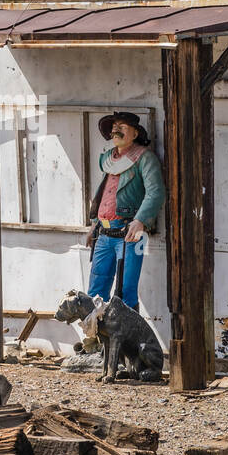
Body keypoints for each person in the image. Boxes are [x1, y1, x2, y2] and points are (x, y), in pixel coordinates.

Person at [86, 111, 166, 309]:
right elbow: (105, 193)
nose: (116, 130)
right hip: (103, 234)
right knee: (95, 291)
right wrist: (94, 224)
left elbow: (156, 192)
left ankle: (127, 339)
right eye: (115, 127)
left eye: (122, 127)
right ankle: (96, 337)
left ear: (135, 134)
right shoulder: (108, 159)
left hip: (129, 234)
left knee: (125, 292)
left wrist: (140, 220)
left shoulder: (144, 158)